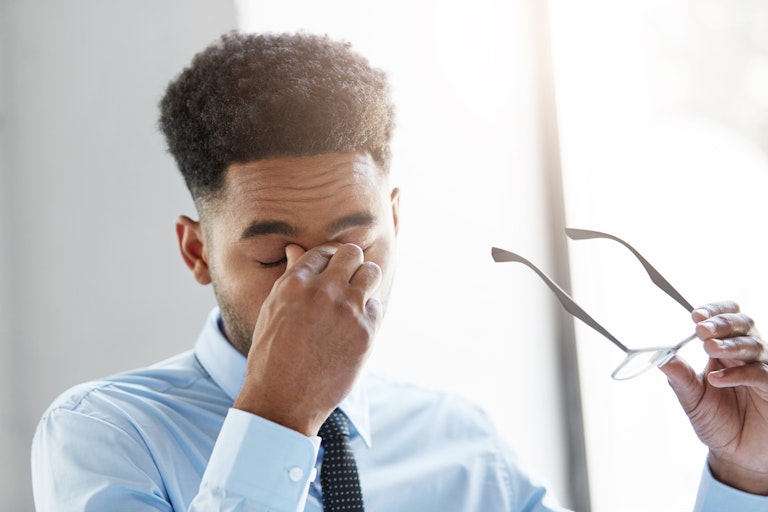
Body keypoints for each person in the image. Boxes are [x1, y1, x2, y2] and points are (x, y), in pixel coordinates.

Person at [31, 31, 768, 511]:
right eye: (273, 256)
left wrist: (744, 476)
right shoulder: (107, 436)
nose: (322, 281)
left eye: (355, 242)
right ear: (196, 252)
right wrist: (282, 414)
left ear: (396, 219)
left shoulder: (465, 447)